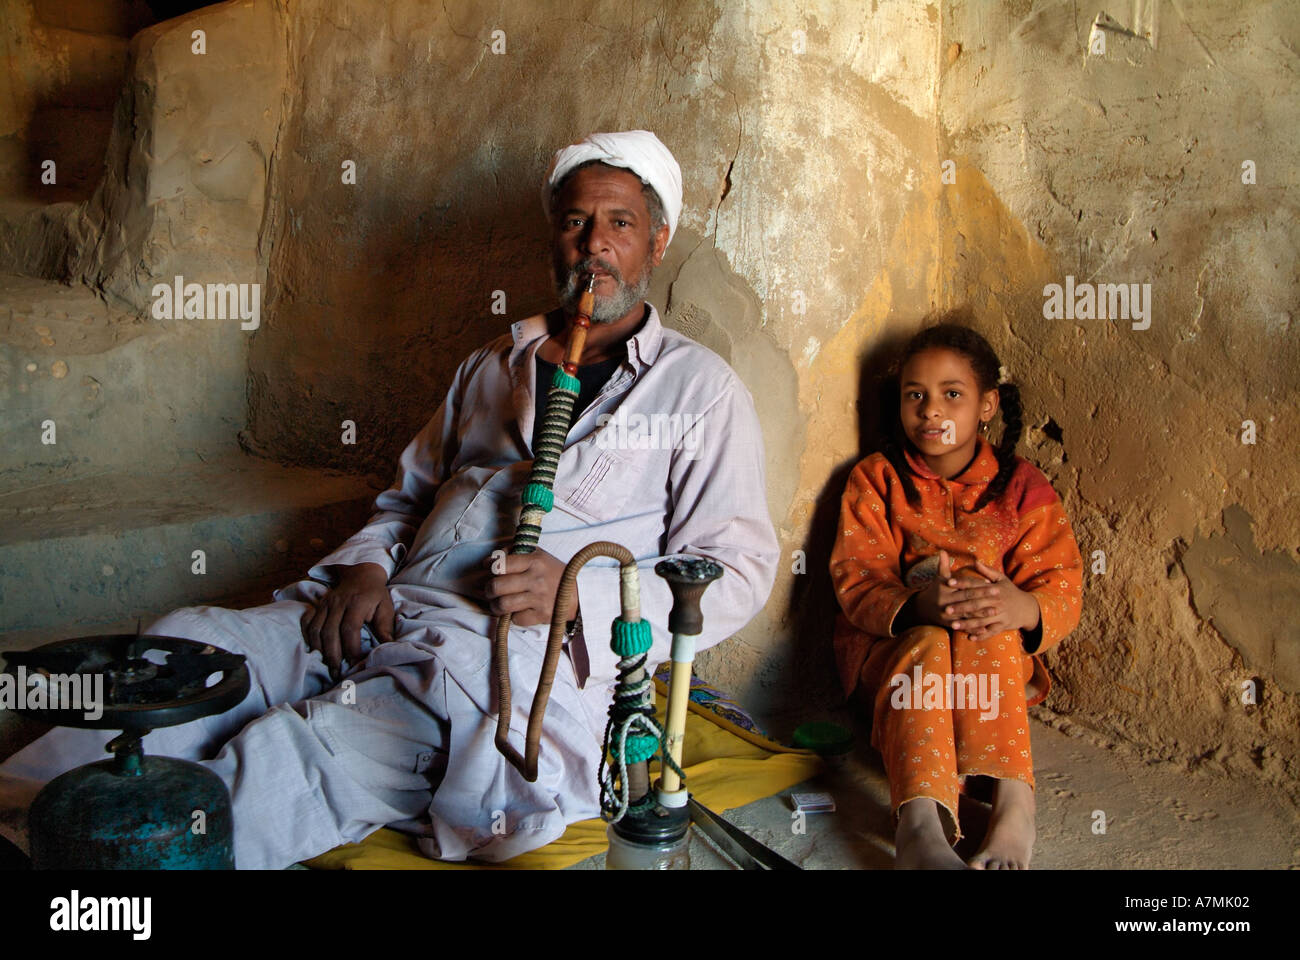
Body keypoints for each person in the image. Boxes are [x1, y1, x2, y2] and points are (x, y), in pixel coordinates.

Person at [0, 130, 779, 868]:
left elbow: (733, 570)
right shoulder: (491, 363)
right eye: (576, 222)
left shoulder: (700, 391)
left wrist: (577, 594)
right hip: (387, 606)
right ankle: (18, 818)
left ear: (657, 241)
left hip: (502, 659)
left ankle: (110, 878)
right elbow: (405, 500)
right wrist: (365, 570)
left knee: (303, 747)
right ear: (555, 237)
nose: (594, 244)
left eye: (620, 223)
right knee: (195, 649)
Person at [829, 320, 1083, 869]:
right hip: (894, 659)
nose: (931, 411)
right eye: (914, 396)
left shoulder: (1022, 486)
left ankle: (1015, 808)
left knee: (988, 625)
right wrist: (919, 605)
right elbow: (855, 577)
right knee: (927, 642)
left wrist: (1023, 606)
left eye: (952, 395)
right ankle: (920, 826)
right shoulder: (876, 480)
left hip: (988, 662)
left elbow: (1062, 582)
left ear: (987, 405)